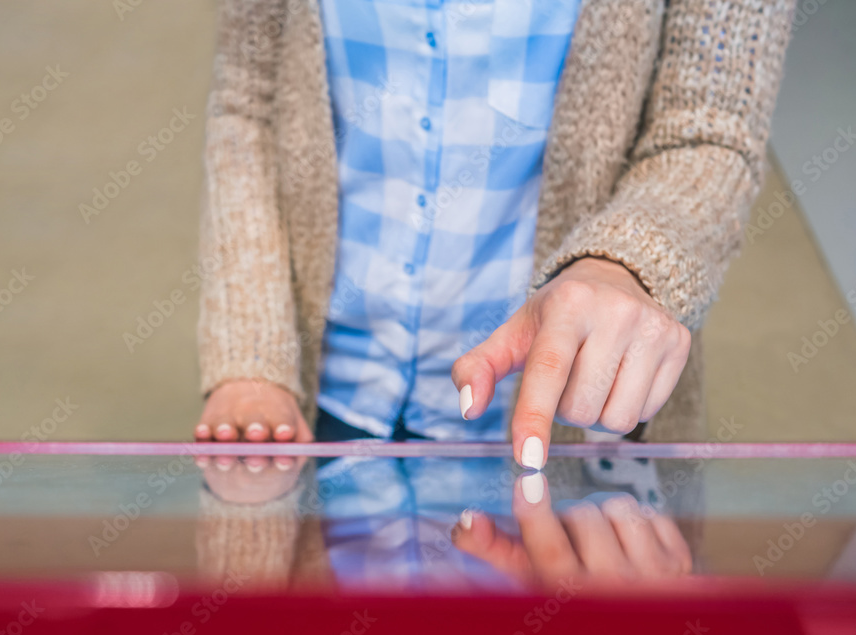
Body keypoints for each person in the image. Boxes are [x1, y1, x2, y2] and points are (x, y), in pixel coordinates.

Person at [192, 0, 795, 472]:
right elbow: (250, 103)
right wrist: (252, 358)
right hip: (322, 408)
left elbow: (709, 134)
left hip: (572, 427)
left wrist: (621, 265)